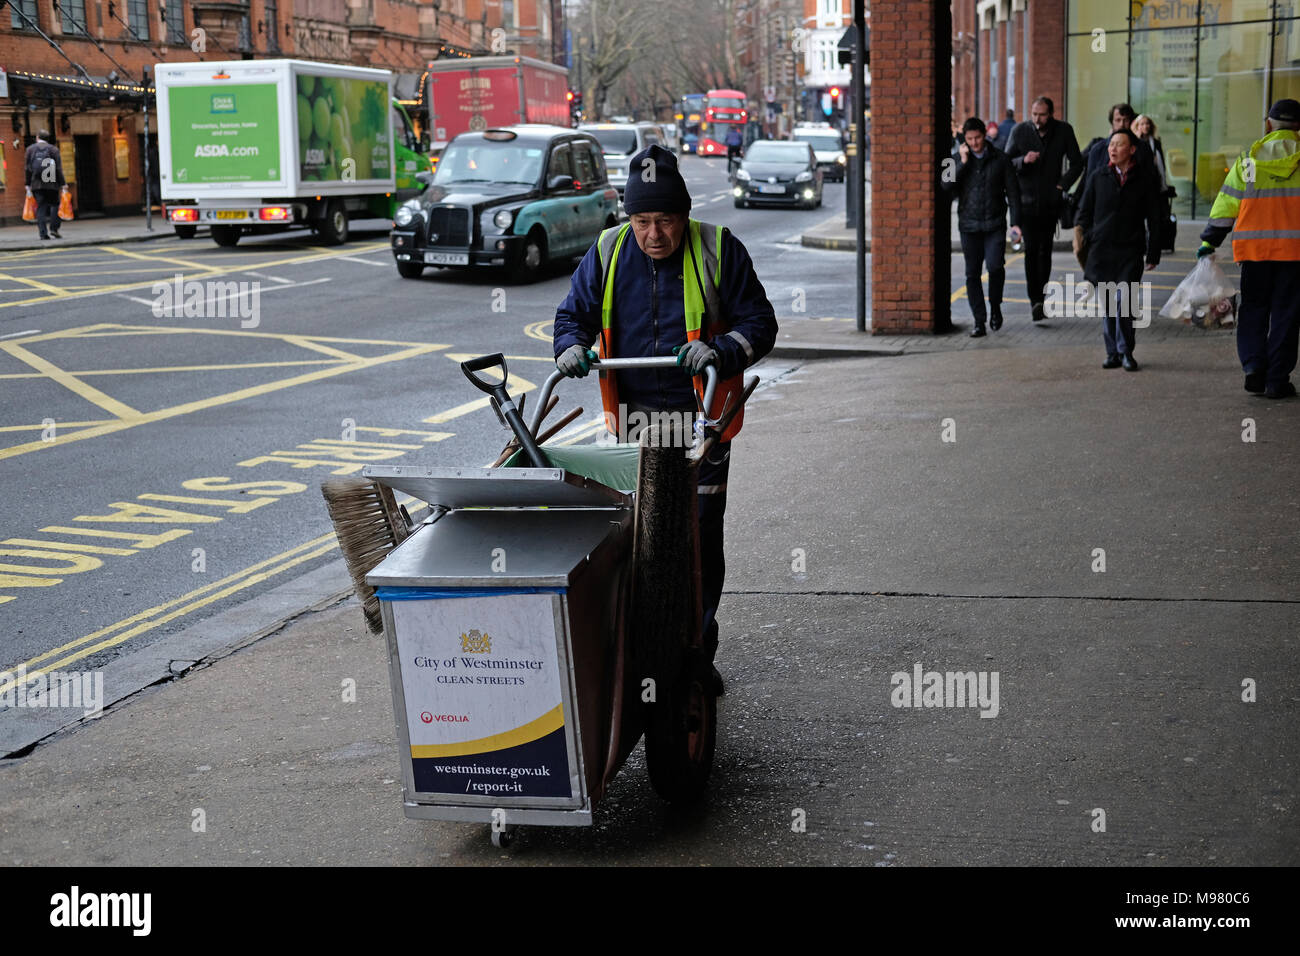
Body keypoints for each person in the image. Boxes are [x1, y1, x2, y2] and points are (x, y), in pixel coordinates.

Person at [553, 144, 778, 693]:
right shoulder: (607, 251)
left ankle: (695, 653)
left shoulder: (718, 249)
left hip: (702, 423)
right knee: (637, 538)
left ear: (685, 215)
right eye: (642, 221)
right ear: (628, 218)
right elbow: (572, 314)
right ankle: (644, 649)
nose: (654, 235)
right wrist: (570, 346)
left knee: (697, 538)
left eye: (666, 220)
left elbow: (761, 323)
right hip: (635, 423)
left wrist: (722, 351)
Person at [1197, 98, 1300, 399]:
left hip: (1254, 252)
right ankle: (1277, 380)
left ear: (1268, 125)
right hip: (1294, 254)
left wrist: (1208, 241)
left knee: (1254, 309)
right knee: (1286, 314)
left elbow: (1226, 206)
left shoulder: (1247, 163)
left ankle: (1254, 368)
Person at [1075, 128, 1161, 371]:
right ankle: (1112, 352)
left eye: (1119, 145)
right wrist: (1087, 237)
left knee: (1126, 303)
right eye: (1110, 144)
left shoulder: (1144, 178)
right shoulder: (1098, 176)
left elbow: (1154, 218)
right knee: (1110, 304)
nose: (1112, 149)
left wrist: (1153, 252)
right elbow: (1084, 212)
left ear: (1131, 149)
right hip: (1102, 250)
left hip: (1130, 250)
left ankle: (1126, 351)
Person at [1005, 96, 1084, 322]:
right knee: (1031, 252)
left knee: (1045, 251)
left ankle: (1041, 295)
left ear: (1051, 114)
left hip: (1050, 202)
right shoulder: (1020, 131)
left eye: (1042, 115)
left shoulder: (1063, 131)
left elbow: (1077, 162)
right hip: (1026, 202)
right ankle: (1035, 301)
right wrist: (1023, 161)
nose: (1037, 119)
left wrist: (1062, 184)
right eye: (1034, 114)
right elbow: (1006, 162)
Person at [944, 116, 1022, 337]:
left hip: (995, 224)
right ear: (964, 140)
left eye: (978, 138)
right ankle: (979, 321)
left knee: (996, 267)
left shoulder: (1001, 159)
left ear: (984, 135)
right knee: (972, 274)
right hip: (968, 226)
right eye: (970, 139)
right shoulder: (953, 159)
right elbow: (945, 185)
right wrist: (963, 162)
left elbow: (1013, 193)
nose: (975, 143)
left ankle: (995, 307)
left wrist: (1016, 223)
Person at [1133, 113, 1176, 252]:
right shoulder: (1133, 142)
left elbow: (1161, 165)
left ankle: (1153, 246)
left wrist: (1163, 184)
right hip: (1138, 185)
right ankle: (1140, 244)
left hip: (1154, 185)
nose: (1145, 126)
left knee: (1154, 219)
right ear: (1137, 126)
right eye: (1142, 124)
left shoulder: (1155, 142)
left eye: (1147, 124)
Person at [24, 130, 65, 240]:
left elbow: (27, 169)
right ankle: (54, 229)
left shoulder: (30, 149)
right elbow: (58, 168)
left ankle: (43, 234)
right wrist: (63, 183)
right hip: (51, 183)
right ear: (47, 138)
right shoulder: (53, 149)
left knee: (41, 208)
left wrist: (27, 184)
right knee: (54, 205)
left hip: (37, 183)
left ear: (37, 137)